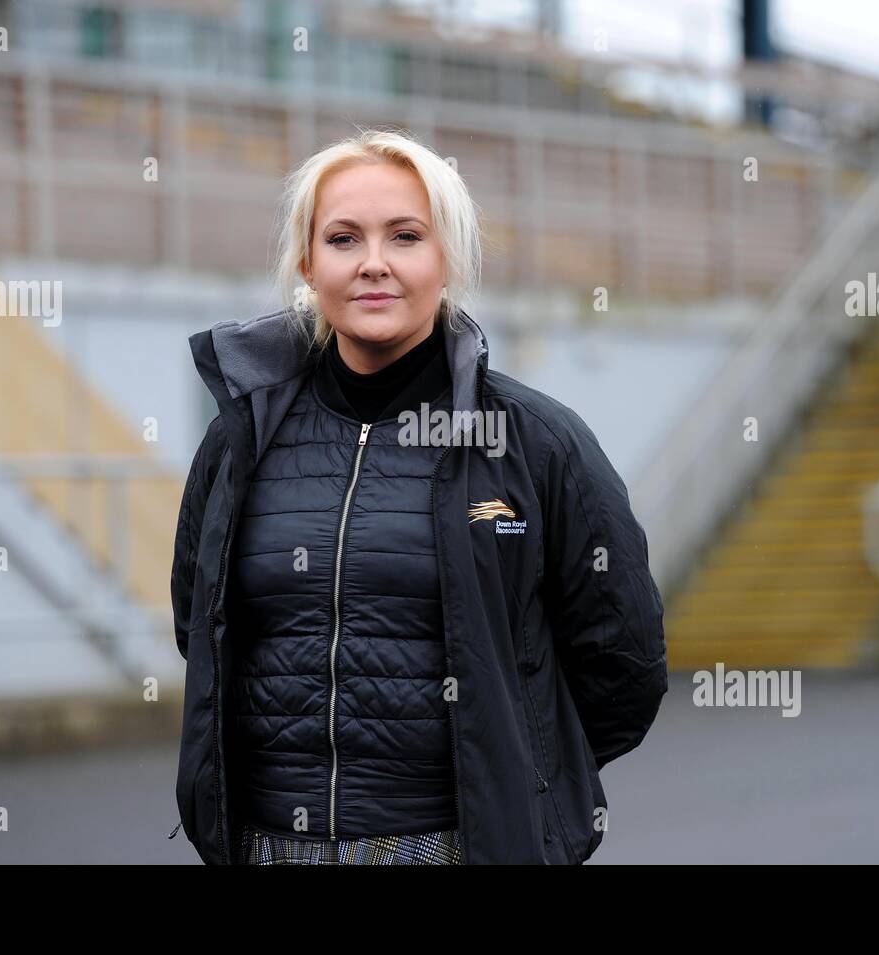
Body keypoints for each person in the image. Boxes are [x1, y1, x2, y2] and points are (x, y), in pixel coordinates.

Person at [170, 127, 667, 865]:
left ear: (448, 260)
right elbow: (200, 626)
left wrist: (522, 781)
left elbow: (623, 661)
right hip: (269, 847)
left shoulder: (534, 442)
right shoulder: (243, 438)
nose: (374, 264)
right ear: (308, 263)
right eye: (343, 239)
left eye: (405, 236)